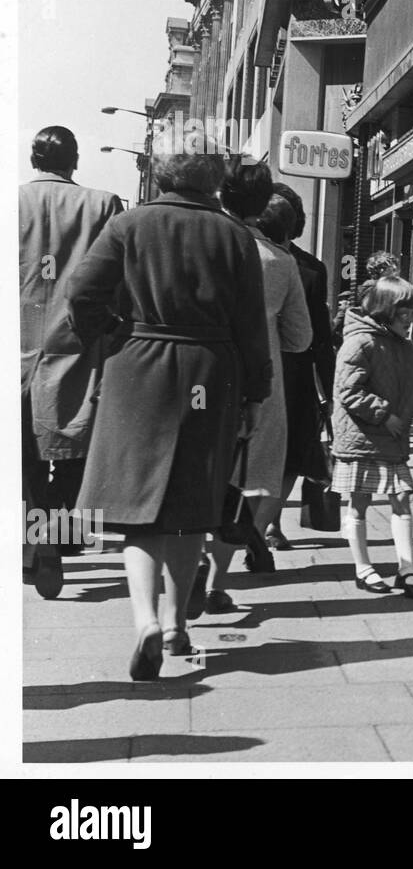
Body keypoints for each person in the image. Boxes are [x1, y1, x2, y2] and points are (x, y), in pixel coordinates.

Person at [59, 132, 271, 678]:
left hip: (139, 366)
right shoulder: (235, 235)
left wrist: (109, 337)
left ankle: (146, 621)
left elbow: (81, 293)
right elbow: (251, 326)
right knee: (194, 501)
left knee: (137, 509)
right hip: (210, 370)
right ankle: (178, 625)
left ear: (162, 172)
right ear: (212, 176)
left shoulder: (129, 224)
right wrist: (256, 391)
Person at [19, 127, 123, 598]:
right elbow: (118, 278)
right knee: (77, 442)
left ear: (33, 157)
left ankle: (33, 540)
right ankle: (55, 534)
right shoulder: (103, 205)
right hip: (78, 345)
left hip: (18, 344)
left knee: (22, 451)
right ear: (74, 162)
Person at [206, 169, 311, 605]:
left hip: (200, 373)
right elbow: (299, 338)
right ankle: (215, 582)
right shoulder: (281, 262)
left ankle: (184, 566)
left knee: (199, 474)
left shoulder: (208, 243)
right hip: (257, 381)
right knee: (246, 480)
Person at [333, 273, 413, 598]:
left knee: (401, 499)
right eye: (405, 313)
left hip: (390, 442)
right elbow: (348, 389)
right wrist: (384, 414)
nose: (411, 320)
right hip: (363, 441)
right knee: (359, 503)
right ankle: (364, 568)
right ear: (386, 310)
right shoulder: (360, 341)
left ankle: (406, 568)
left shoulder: (403, 347)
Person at [269, 183, 336, 548]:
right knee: (292, 453)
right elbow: (319, 337)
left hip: (260, 372)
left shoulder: (239, 254)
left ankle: (66, 543)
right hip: (294, 375)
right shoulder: (309, 268)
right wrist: (328, 387)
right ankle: (269, 522)